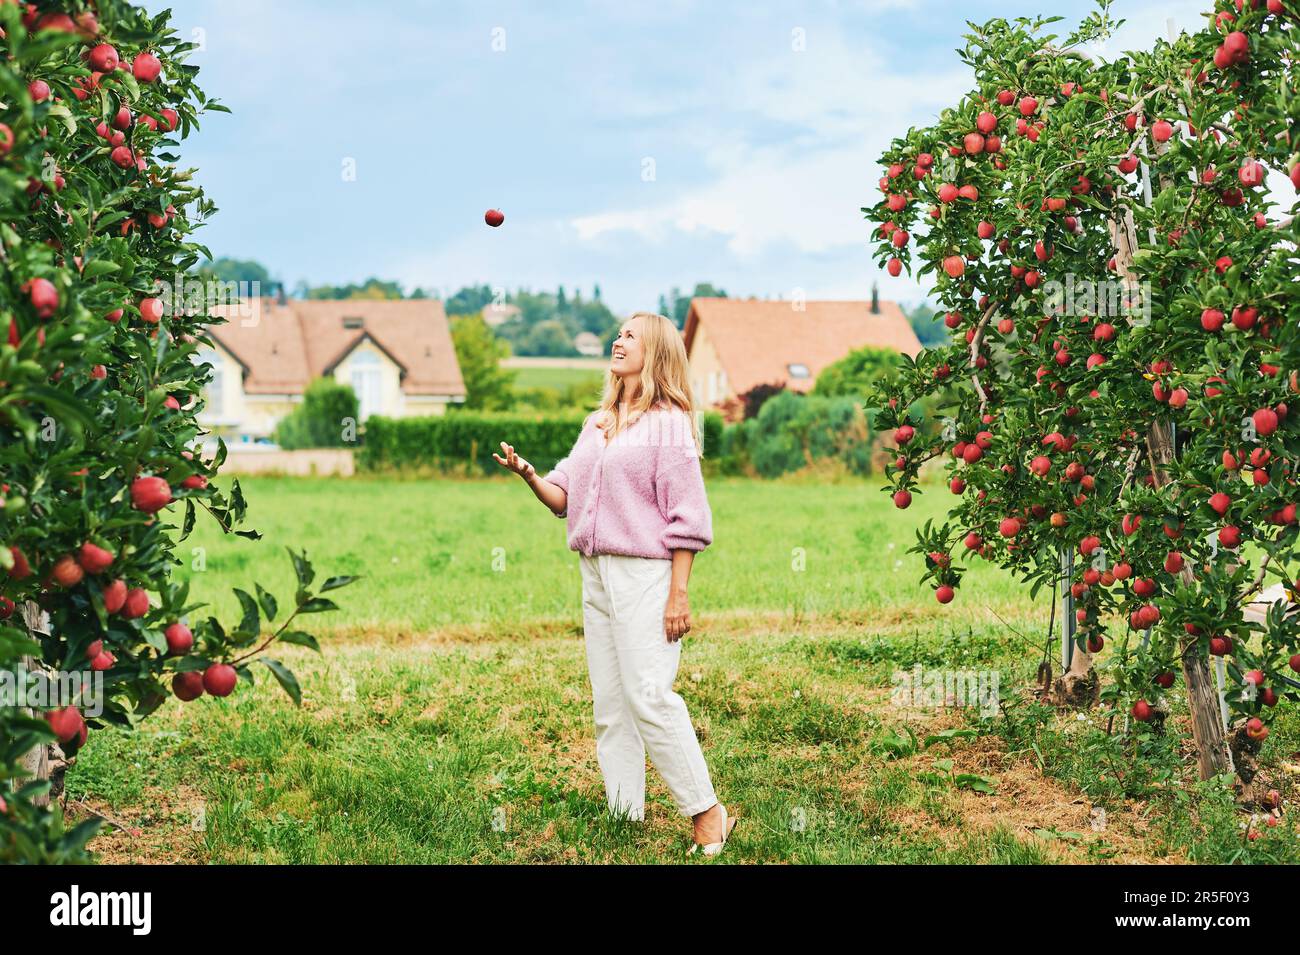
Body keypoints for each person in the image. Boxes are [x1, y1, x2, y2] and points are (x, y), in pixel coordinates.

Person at [493, 311, 737, 856]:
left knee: (648, 693)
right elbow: (565, 496)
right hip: (595, 572)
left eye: (630, 335)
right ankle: (624, 812)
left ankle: (708, 812)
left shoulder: (671, 424)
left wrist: (679, 593)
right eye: (618, 333)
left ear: (656, 352)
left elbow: (689, 518)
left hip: (645, 574)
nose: (618, 340)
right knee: (611, 701)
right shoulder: (599, 421)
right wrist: (531, 476)